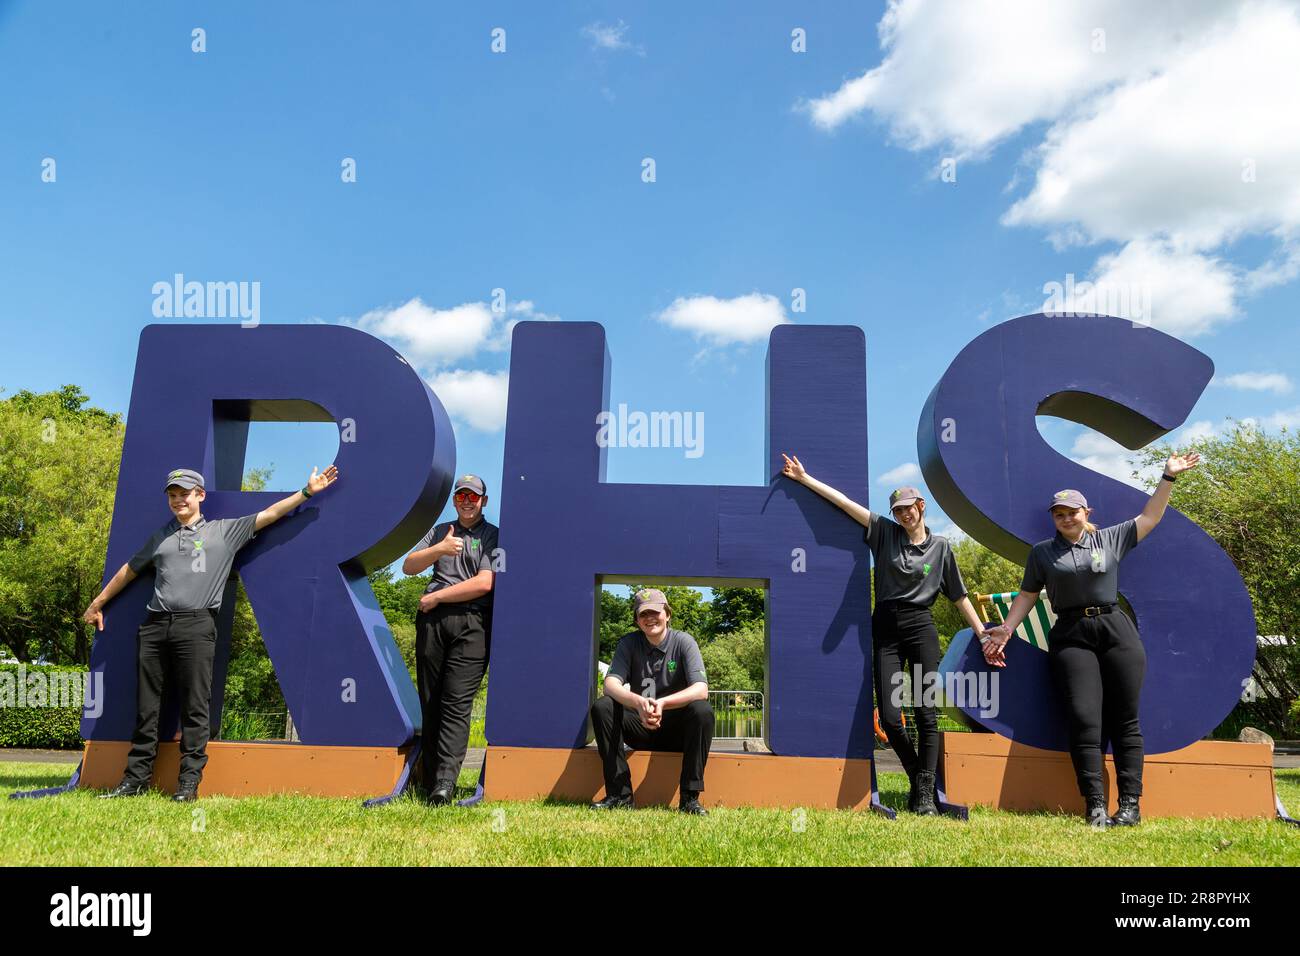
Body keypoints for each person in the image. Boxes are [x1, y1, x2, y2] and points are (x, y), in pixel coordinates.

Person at [84, 465, 340, 802]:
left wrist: (306, 492)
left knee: (194, 707)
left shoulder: (224, 532)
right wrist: (98, 602)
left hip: (196, 625)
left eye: (184, 494)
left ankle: (188, 784)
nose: (179, 501)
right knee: (147, 707)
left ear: (200, 495)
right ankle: (134, 781)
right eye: (173, 496)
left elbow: (270, 515)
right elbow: (128, 571)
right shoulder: (160, 536)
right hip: (154, 625)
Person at [982, 451, 1201, 827]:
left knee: (1126, 721)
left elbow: (1150, 517)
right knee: (1084, 720)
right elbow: (1029, 595)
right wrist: (1007, 627)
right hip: (1071, 635)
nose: (1067, 518)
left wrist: (1168, 477)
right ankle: (1095, 804)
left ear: (1087, 512)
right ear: (1053, 518)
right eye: (1059, 513)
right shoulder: (1042, 554)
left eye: (1073, 511)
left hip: (1115, 630)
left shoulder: (1111, 539)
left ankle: (1130, 805)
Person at [781, 455, 988, 815]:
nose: (904, 514)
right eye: (898, 510)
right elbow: (845, 504)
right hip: (887, 628)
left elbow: (959, 597)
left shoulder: (941, 548)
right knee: (891, 717)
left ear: (921, 507)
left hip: (921, 627)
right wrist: (804, 479)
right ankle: (919, 781)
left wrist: (984, 634)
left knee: (926, 713)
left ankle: (924, 796)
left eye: (909, 508)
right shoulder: (884, 534)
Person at [402, 474, 498, 805]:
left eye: (473, 496)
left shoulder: (495, 537)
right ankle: (427, 780)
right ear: (455, 500)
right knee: (430, 699)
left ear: (484, 501)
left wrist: (439, 597)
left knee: (456, 704)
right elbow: (409, 566)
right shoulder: (440, 531)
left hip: (472, 623)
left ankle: (445, 782)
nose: (467, 501)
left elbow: (485, 583)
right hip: (432, 624)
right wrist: (440, 549)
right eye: (461, 496)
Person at [590, 588, 713, 815]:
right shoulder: (628, 643)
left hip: (676, 730)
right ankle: (620, 795)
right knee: (603, 706)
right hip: (641, 726)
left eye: (655, 612)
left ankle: (689, 798)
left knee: (702, 710)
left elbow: (701, 689)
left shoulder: (684, 642)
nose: (650, 619)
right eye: (643, 614)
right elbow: (610, 685)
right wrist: (638, 703)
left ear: (667, 614)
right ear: (637, 620)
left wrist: (662, 704)